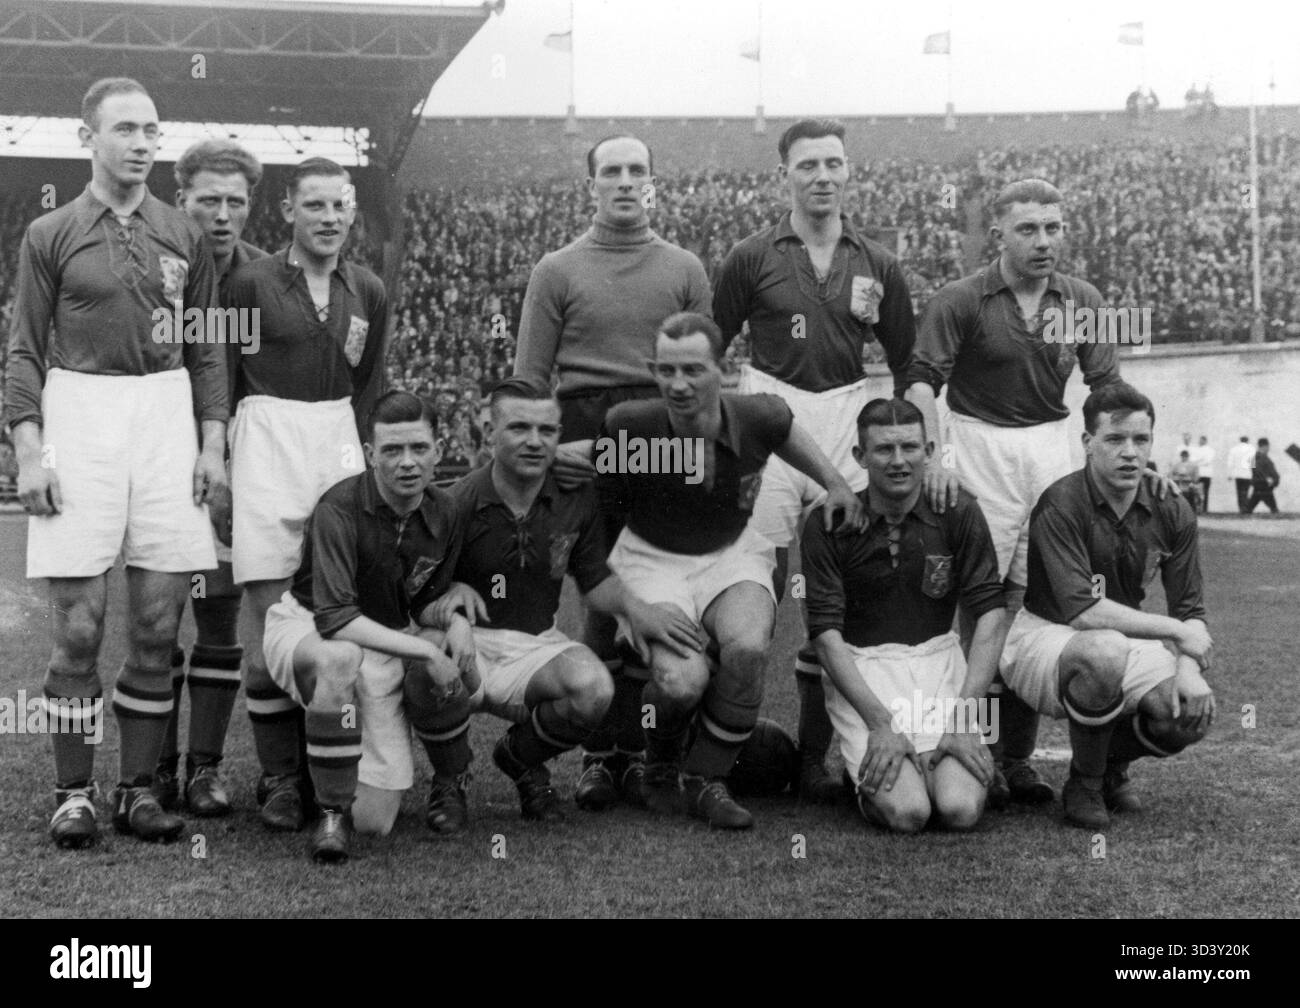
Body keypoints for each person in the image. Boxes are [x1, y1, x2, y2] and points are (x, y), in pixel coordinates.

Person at [4, 78, 227, 847]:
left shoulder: (183, 233)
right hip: (81, 410)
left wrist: (214, 443)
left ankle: (137, 789)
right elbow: (27, 350)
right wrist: (29, 450)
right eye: (125, 129)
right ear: (86, 138)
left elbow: (207, 349)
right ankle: (73, 793)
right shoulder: (51, 232)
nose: (141, 143)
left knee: (160, 622)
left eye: (152, 131)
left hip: (165, 411)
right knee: (79, 625)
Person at [712, 118, 921, 802]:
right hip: (769, 410)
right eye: (808, 165)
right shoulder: (751, 254)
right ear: (786, 175)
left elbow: (907, 359)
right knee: (756, 588)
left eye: (833, 163)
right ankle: (724, 749)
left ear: (848, 172)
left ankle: (813, 757)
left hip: (847, 415)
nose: (822, 176)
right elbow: (711, 343)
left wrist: (928, 442)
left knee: (843, 590)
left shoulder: (878, 262)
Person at [908, 178, 1132, 809]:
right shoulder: (963, 298)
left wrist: (1128, 457)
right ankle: (979, 752)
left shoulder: (1082, 298)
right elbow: (923, 382)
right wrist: (937, 455)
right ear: (998, 235)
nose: (1043, 241)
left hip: (1051, 447)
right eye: (1028, 229)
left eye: (1053, 228)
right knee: (983, 603)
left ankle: (1019, 760)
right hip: (978, 447)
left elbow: (1106, 386)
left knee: (1039, 600)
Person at [597, 312, 865, 829]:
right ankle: (660, 761)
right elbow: (599, 533)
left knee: (747, 648)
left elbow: (786, 428)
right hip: (653, 562)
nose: (679, 385)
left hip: (731, 552)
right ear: (653, 370)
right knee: (682, 681)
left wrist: (835, 482)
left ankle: (706, 780)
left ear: (722, 369)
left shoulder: (757, 415)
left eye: (694, 370)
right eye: (668, 371)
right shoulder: (629, 426)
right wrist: (633, 606)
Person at [512, 133, 712, 812]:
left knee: (654, 594)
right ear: (591, 184)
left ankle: (646, 753)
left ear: (654, 182)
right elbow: (530, 379)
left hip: (662, 432)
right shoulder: (557, 269)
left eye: (637, 171)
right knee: (601, 598)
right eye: (611, 172)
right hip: (584, 437)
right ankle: (599, 758)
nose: (625, 182)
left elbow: (702, 372)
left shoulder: (684, 267)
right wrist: (546, 452)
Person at [409, 380, 706, 831]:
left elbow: (594, 581)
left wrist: (636, 609)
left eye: (547, 430)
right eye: (519, 427)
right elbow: (417, 598)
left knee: (595, 688)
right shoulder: (455, 502)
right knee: (424, 660)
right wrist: (450, 618)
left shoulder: (575, 497)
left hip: (534, 647)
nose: (534, 440)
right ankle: (450, 778)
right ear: (488, 428)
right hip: (468, 643)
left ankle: (521, 759)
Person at [224, 156, 389, 832]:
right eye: (313, 205)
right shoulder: (247, 283)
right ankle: (280, 778)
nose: (328, 218)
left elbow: (371, 381)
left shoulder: (370, 288)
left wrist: (370, 452)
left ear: (352, 212)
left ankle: (333, 766)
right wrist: (218, 454)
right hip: (264, 431)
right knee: (268, 619)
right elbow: (219, 373)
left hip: (337, 434)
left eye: (338, 206)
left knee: (335, 605)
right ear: (288, 210)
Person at [260, 392, 469, 862]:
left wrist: (454, 621)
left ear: (438, 449)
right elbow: (335, 619)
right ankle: (330, 813)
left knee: (376, 821)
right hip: (310, 624)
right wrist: (428, 652)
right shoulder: (339, 505)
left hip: (385, 637)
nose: (407, 462)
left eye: (418, 447)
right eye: (392, 450)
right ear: (370, 454)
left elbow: (426, 594)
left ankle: (320, 742)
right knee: (340, 659)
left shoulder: (446, 512)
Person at [1000, 383, 1214, 828]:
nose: (1130, 452)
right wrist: (1176, 633)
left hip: (1122, 638)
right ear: (1087, 443)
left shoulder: (1170, 507)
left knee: (1187, 717)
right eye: (1115, 440)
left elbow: (1189, 608)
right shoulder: (1061, 502)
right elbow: (1084, 612)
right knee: (1104, 650)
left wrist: (1188, 670)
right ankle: (1086, 782)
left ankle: (1110, 766)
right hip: (1046, 635)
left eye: (1141, 439)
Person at [802, 399, 1004, 832]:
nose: (898, 461)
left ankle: (940, 763)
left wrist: (966, 717)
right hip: (866, 669)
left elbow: (991, 614)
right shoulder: (828, 522)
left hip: (939, 662)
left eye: (910, 448)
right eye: (883, 450)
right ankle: (875, 773)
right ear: (859, 456)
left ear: (928, 450)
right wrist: (881, 725)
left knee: (960, 809)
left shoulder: (959, 510)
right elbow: (825, 637)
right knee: (909, 813)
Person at [153, 138, 267, 817]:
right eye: (207, 201)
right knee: (157, 619)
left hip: (236, 472)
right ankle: (157, 768)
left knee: (219, 614)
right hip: (164, 461)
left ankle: (205, 769)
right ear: (181, 201)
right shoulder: (152, 271)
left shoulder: (265, 279)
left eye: (235, 202)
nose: (222, 215)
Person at [1246, 438, 1280, 515]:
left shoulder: (1258, 457)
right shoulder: (1257, 457)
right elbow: (1256, 470)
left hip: (1261, 482)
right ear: (1264, 446)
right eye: (1268, 446)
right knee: (1268, 498)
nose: (1269, 448)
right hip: (1262, 482)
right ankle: (1274, 510)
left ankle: (1247, 510)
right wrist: (1267, 478)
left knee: (1255, 498)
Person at [1227, 435, 1255, 514]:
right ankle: (1245, 507)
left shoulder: (1234, 449)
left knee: (1239, 492)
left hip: (1238, 474)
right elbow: (1252, 463)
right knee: (1246, 491)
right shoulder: (1251, 448)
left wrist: (1230, 474)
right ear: (1247, 440)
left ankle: (1241, 508)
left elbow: (1230, 463)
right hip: (1247, 474)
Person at [1192, 435, 1214, 514]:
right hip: (1199, 473)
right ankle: (1198, 508)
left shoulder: (1210, 450)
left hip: (1207, 473)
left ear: (1205, 441)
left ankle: (1205, 509)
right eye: (1200, 440)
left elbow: (1208, 461)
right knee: (1197, 491)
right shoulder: (1197, 450)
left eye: (1202, 440)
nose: (1200, 442)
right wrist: (1201, 460)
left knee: (1206, 491)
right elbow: (1193, 459)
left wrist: (1199, 461)